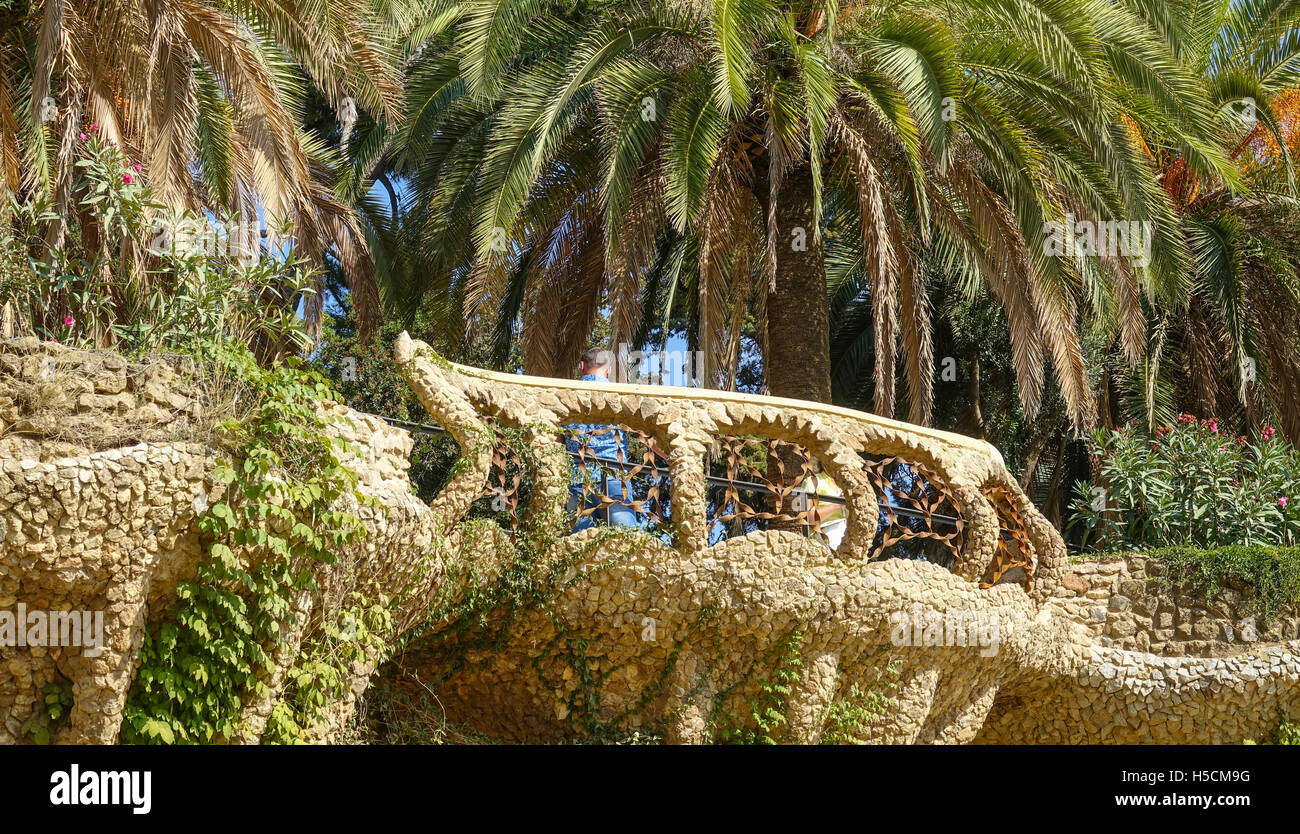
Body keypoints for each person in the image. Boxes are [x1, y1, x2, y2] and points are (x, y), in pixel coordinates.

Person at [566, 348, 640, 530]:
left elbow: (555, 440)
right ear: (608, 371)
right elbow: (646, 435)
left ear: (581, 366)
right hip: (615, 477)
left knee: (579, 550)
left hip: (577, 480)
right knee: (624, 544)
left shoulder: (566, 397)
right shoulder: (621, 398)